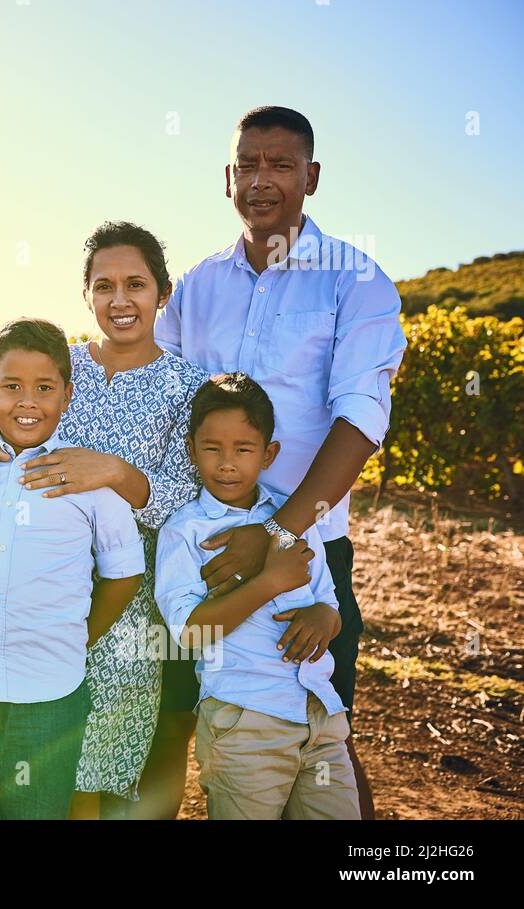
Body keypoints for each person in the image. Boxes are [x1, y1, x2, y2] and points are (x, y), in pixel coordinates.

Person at [153, 106, 407, 818]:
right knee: (186, 720)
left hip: (310, 555)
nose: (261, 180)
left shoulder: (356, 282)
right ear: (227, 177)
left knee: (323, 726)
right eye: (248, 165)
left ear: (312, 177)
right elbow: (159, 395)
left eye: (281, 165)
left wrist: (274, 538)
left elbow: (360, 420)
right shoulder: (197, 286)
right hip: (201, 552)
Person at [0, 224, 208, 818]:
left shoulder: (188, 386)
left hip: (122, 601)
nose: (120, 300)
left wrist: (116, 473)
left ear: (162, 294)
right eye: (104, 286)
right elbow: (4, 431)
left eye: (136, 285)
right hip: (31, 586)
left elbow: (184, 502)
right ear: (86, 295)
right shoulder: (61, 366)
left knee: (85, 769)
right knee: (28, 761)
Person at [0, 318, 146, 819]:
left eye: (44, 388)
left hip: (48, 690)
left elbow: (124, 574)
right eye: (12, 387)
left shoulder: (88, 482)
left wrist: (77, 636)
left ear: (66, 395)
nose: (27, 401)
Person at [155, 372, 359, 819]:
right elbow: (190, 634)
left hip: (319, 716)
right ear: (192, 451)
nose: (227, 463)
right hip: (244, 721)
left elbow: (330, 603)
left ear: (268, 454)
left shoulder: (295, 518)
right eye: (212, 449)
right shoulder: (186, 532)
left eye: (243, 450)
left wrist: (326, 618)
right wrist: (268, 582)